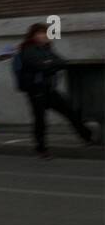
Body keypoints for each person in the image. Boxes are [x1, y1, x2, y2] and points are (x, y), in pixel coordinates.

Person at [16, 23, 96, 159]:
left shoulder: (47, 48)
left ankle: (87, 137)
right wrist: (50, 64)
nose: (44, 36)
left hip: (49, 89)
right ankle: (41, 149)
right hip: (36, 90)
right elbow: (40, 66)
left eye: (45, 33)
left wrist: (49, 63)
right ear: (34, 35)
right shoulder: (27, 49)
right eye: (41, 33)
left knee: (70, 110)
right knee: (40, 120)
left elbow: (62, 62)